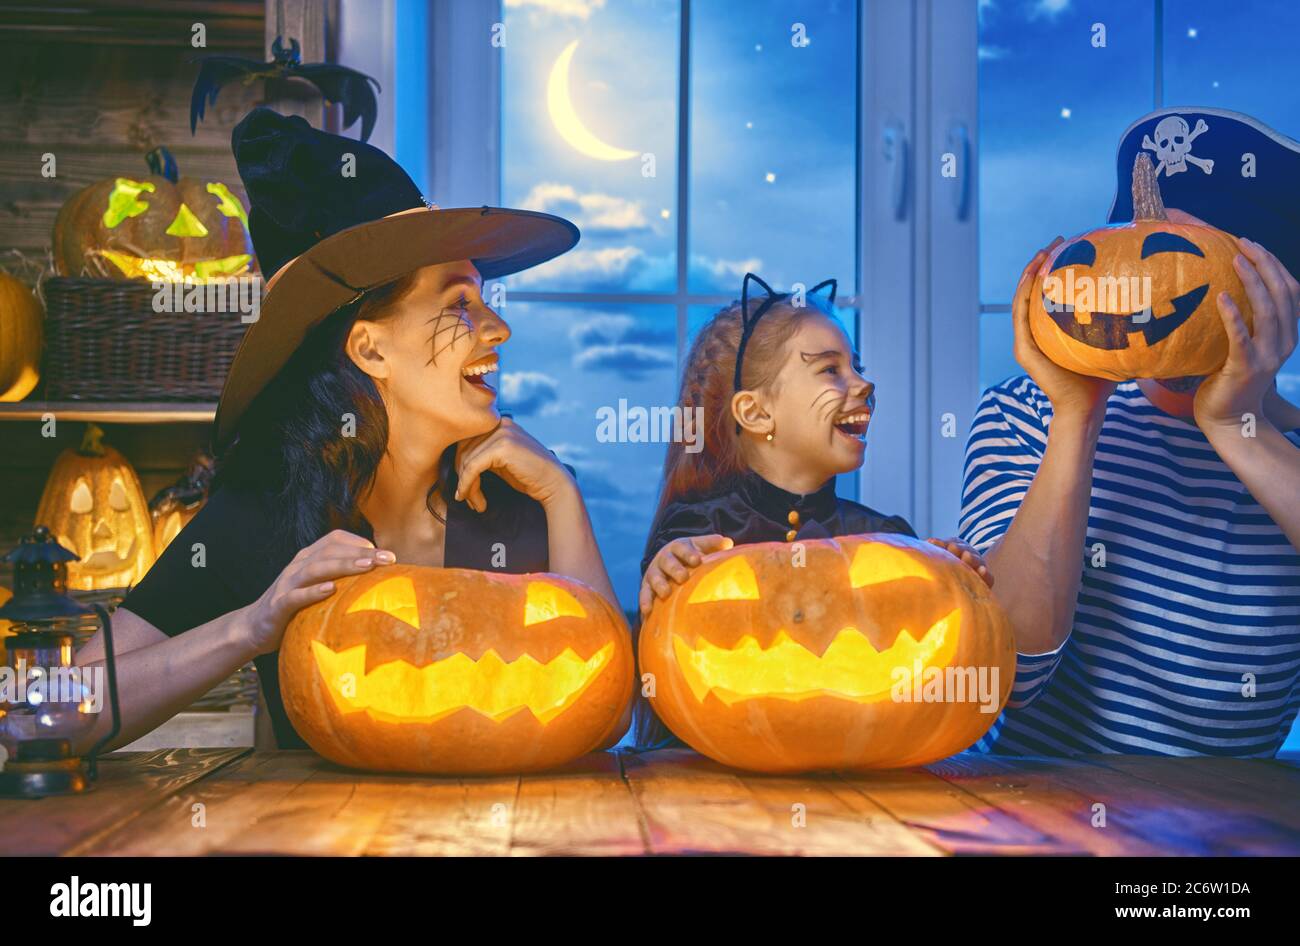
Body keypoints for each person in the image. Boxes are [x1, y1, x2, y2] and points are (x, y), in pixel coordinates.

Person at [74, 107, 624, 751]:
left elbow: (606, 715)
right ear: (370, 351)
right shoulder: (262, 513)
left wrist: (563, 495)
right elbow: (56, 715)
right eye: (459, 305)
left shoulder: (513, 502)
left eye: (486, 301)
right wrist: (253, 626)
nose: (498, 329)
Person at [960, 109, 1300, 756]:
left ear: (1283, 294)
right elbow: (1006, 674)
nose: (1141, 285)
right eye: (1129, 253)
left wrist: (1237, 428)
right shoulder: (1023, 414)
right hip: (1041, 812)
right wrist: (1077, 416)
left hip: (1239, 828)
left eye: (1185, 258)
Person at [639, 273, 991, 615]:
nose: (864, 384)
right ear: (756, 412)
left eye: (857, 367)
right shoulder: (695, 540)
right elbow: (669, 646)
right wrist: (666, 574)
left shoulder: (888, 540)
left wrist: (952, 579)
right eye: (830, 370)